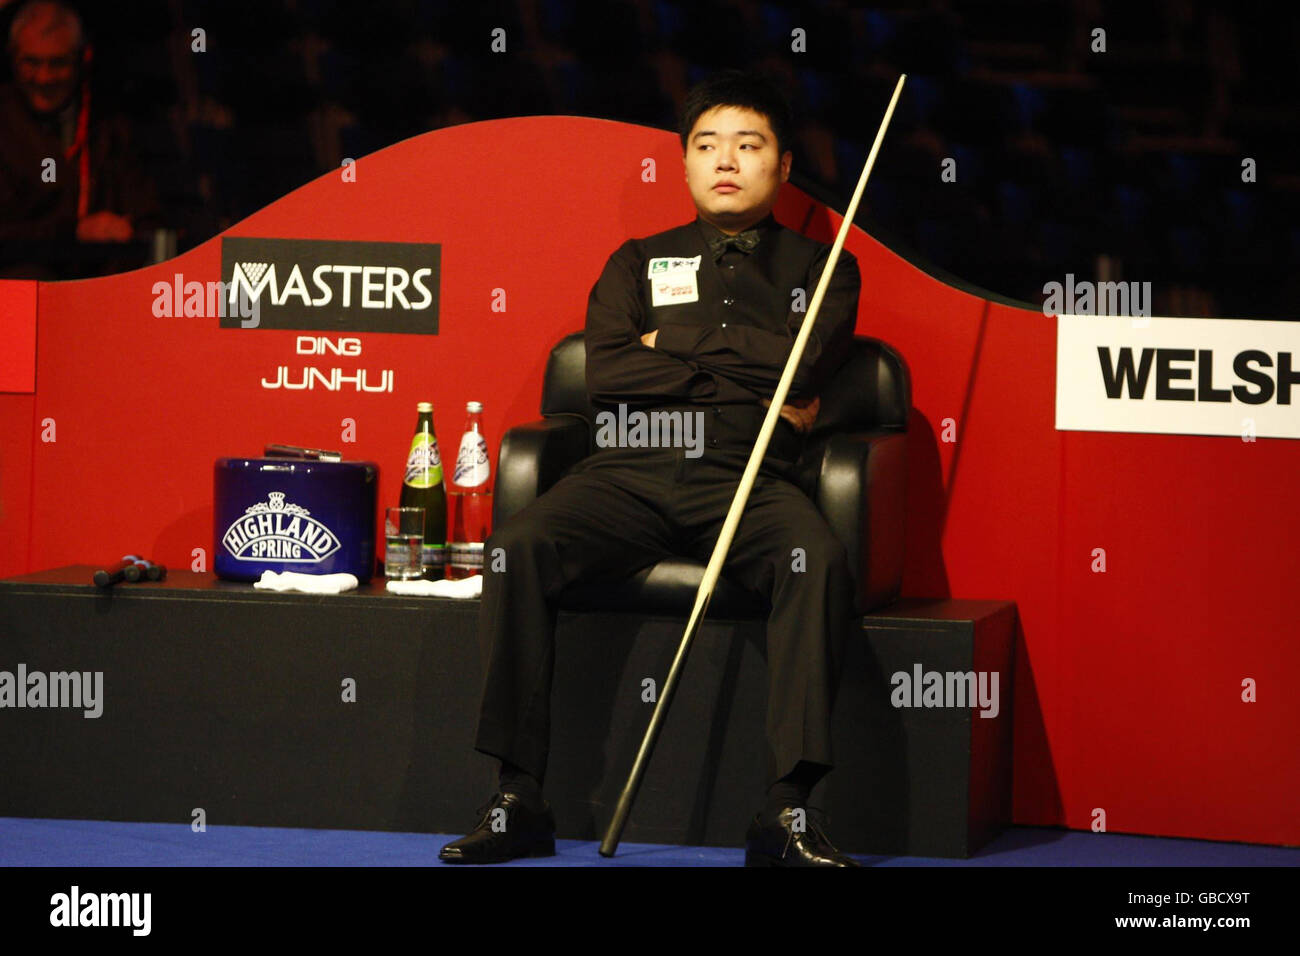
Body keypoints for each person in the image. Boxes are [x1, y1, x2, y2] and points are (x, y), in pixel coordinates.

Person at [440, 69, 862, 867]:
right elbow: (608, 375)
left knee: (818, 559)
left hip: (747, 477)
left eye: (748, 144)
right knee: (516, 547)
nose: (725, 159)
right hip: (625, 469)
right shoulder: (637, 260)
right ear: (685, 165)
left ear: (782, 166)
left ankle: (786, 811)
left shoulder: (823, 267)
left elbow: (803, 365)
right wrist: (748, 370)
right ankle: (516, 796)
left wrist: (668, 348)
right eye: (707, 145)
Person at [0, 0, 159, 275]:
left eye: (58, 63)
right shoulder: (4, 122)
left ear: (82, 58)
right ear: (12, 56)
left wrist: (128, 229)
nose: (44, 77)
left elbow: (146, 212)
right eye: (32, 62)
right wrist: (72, 231)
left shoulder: (109, 124)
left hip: (100, 286)